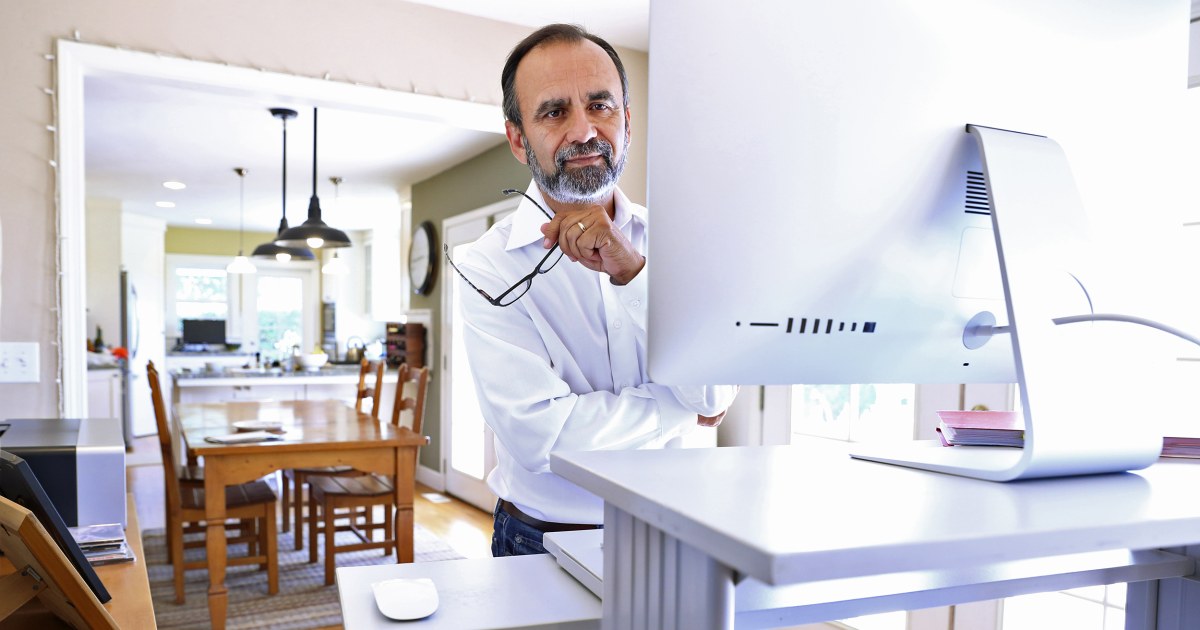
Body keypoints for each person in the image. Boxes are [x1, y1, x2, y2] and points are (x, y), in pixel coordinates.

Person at [448, 23, 739, 557]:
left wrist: (636, 275)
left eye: (601, 106)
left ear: (626, 122)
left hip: (679, 534)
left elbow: (717, 393)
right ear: (518, 138)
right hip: (543, 542)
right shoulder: (486, 267)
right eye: (555, 111)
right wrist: (678, 410)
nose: (583, 131)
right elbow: (544, 437)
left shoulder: (682, 241)